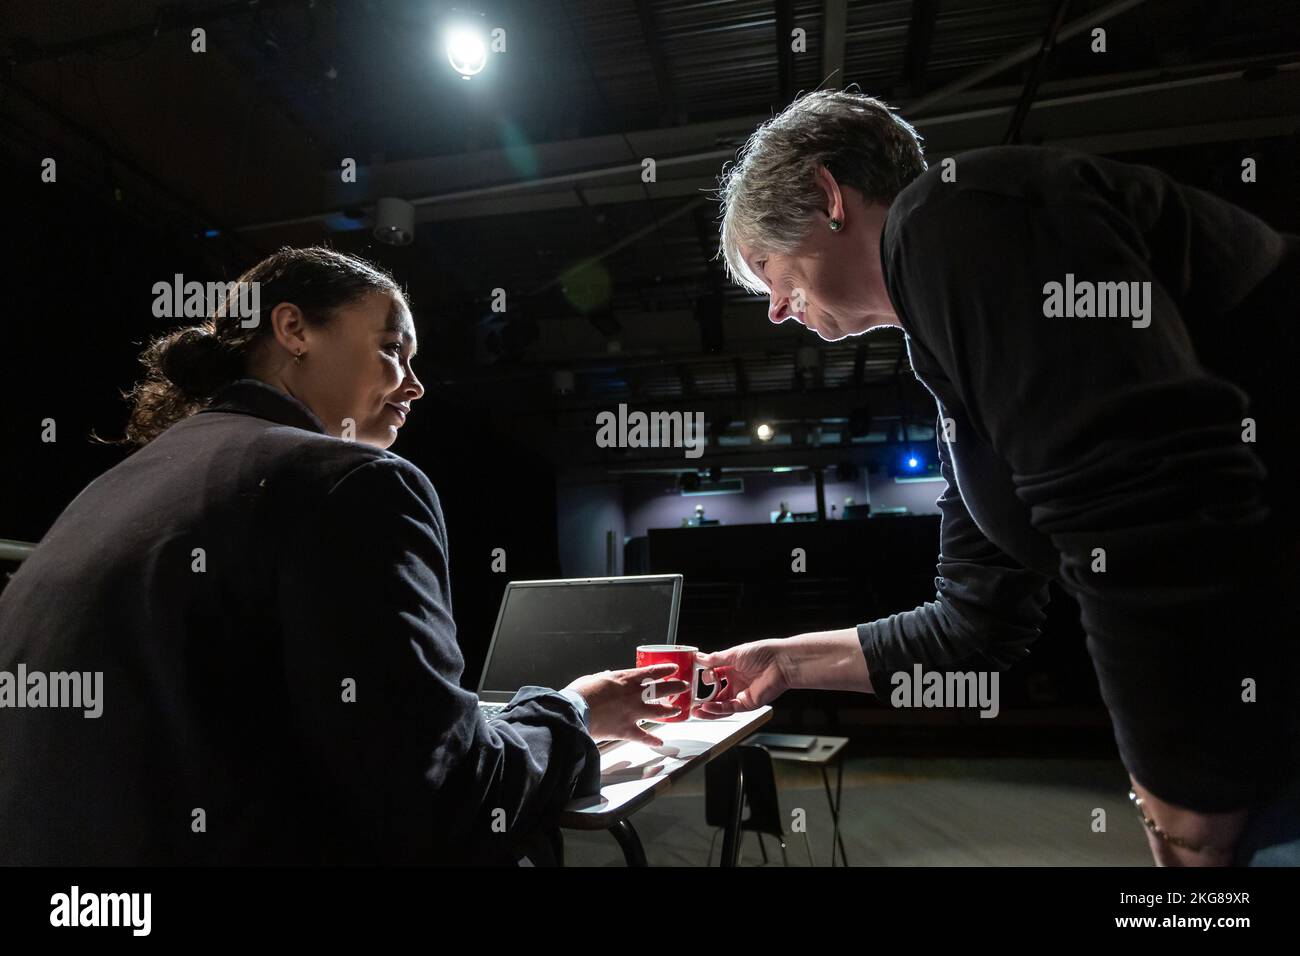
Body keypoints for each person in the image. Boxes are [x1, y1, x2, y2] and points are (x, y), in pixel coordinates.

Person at [700, 90, 1300, 866]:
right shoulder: (945, 356)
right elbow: (976, 621)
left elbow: (1150, 508)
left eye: (767, 272)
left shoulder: (952, 214)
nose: (776, 311)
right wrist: (785, 662)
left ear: (825, 196)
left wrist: (1186, 800)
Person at [0, 246, 685, 865]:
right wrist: (568, 713)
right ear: (293, 329)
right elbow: (441, 796)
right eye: (392, 349)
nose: (414, 384)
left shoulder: (116, 484)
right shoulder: (352, 481)